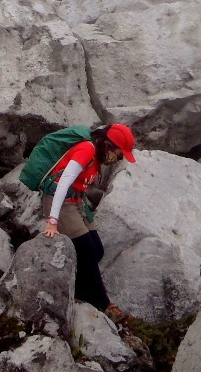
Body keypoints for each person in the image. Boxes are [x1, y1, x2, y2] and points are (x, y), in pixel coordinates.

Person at [40, 123, 136, 324]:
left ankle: (80, 290)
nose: (117, 159)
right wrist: (52, 221)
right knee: (87, 252)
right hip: (60, 200)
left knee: (97, 251)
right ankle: (104, 304)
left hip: (76, 201)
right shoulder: (87, 150)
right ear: (109, 145)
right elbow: (64, 182)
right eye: (119, 155)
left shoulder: (98, 155)